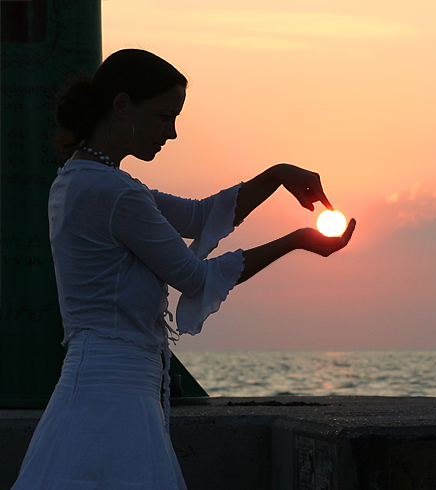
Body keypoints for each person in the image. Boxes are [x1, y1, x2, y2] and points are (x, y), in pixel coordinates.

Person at [11, 48, 355, 489]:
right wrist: (297, 240)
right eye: (163, 116)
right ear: (121, 105)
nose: (171, 133)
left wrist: (278, 175)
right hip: (113, 398)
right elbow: (196, 279)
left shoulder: (79, 180)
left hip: (98, 387)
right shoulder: (114, 193)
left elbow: (198, 216)